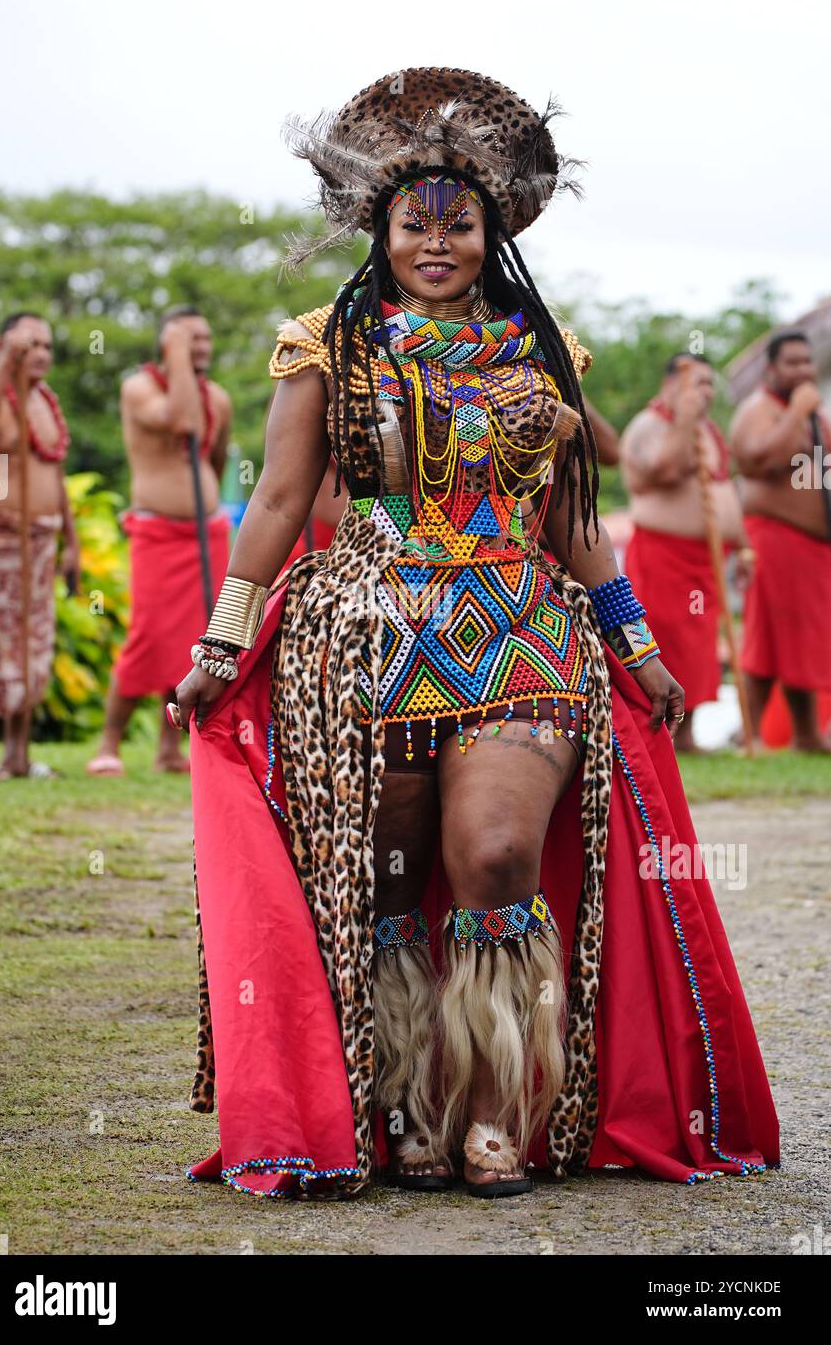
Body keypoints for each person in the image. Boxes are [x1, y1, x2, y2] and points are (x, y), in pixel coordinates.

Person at [173, 69, 778, 1200]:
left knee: (496, 858)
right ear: (382, 230)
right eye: (416, 222)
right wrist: (221, 643)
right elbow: (276, 504)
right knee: (393, 884)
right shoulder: (328, 346)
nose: (438, 241)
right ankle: (403, 1100)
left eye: (460, 223)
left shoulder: (538, 352)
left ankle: (499, 1109)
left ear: (492, 232)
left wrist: (638, 646)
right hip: (372, 635)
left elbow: (575, 526)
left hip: (520, 627)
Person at [87, 307, 232, 775]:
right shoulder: (140, 388)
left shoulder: (218, 398)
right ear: (167, 343)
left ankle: (171, 747)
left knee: (196, 638)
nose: (202, 346)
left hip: (205, 533)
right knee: (150, 636)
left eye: (207, 338)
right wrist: (176, 356)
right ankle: (109, 744)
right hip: (157, 534)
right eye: (191, 338)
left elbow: (217, 458)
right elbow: (180, 421)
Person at [0, 313, 79, 779]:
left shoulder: (45, 404)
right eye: (28, 345)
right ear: (4, 345)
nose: (41, 355)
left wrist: (71, 542)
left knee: (31, 644)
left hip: (41, 541)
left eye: (46, 346)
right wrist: (2, 367)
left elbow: (55, 475)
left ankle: (18, 754)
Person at [621, 354, 752, 751]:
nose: (706, 393)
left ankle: (689, 732)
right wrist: (683, 419)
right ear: (670, 386)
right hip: (665, 555)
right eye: (697, 383)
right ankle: (667, 733)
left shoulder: (707, 429)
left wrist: (743, 548)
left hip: (707, 560)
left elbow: (724, 488)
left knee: (697, 642)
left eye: (709, 384)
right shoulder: (649, 425)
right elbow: (665, 471)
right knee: (669, 637)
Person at [731, 331, 831, 752]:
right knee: (772, 640)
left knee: (795, 642)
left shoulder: (812, 415)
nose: (804, 370)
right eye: (793, 362)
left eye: (807, 361)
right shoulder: (761, 410)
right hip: (775, 538)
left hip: (810, 547)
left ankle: (805, 736)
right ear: (771, 369)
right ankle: (751, 736)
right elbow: (757, 461)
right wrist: (798, 413)